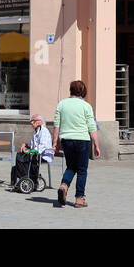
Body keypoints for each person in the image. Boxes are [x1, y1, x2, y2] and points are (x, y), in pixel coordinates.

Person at [52, 79, 100, 208]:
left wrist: (55, 142)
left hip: (66, 140)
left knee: (71, 167)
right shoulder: (86, 106)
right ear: (83, 92)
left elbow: (57, 124)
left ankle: (64, 185)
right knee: (82, 170)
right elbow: (92, 126)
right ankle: (79, 198)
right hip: (82, 140)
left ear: (71, 90)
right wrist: (96, 144)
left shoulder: (62, 104)